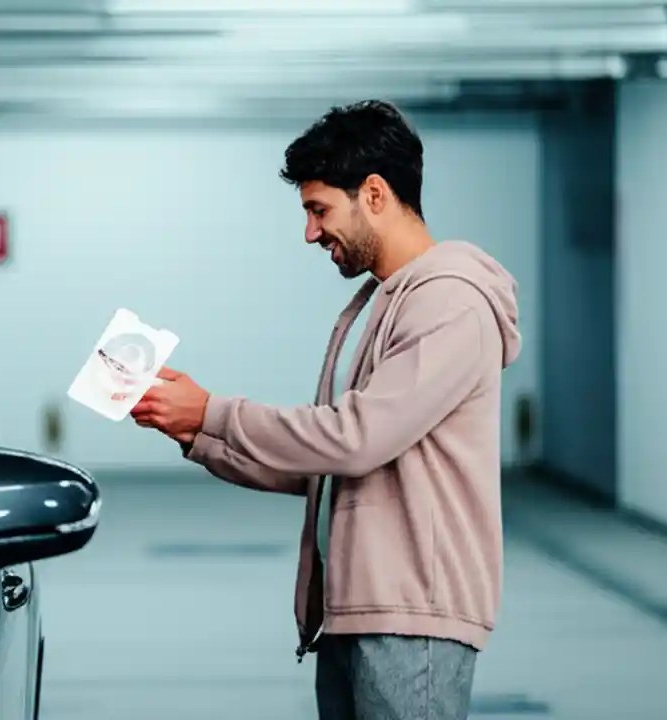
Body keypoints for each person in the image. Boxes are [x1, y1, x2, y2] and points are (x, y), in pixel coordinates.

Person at [130, 99, 521, 720]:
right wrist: (194, 431)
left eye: (318, 210)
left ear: (373, 194)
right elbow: (327, 468)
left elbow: (354, 439)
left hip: (413, 615)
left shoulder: (452, 304)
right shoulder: (375, 304)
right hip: (353, 607)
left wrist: (213, 411)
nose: (310, 233)